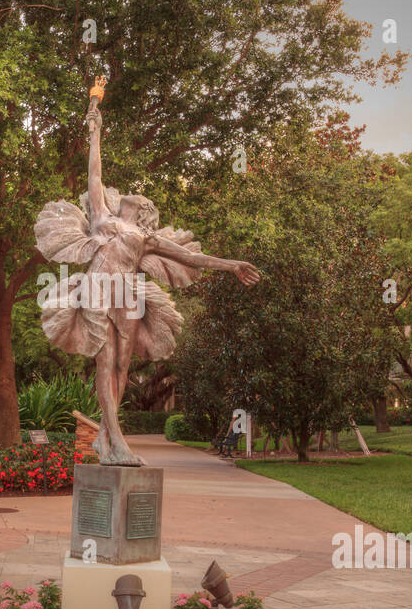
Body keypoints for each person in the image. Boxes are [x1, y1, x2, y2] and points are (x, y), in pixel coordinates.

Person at [35, 77, 259, 465]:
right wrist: (95, 132)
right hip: (98, 289)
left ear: (144, 210)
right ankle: (117, 441)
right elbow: (95, 174)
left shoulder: (145, 237)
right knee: (104, 362)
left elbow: (191, 259)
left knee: (122, 366)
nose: (128, 194)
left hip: (127, 295)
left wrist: (231, 265)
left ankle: (105, 439)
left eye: (136, 197)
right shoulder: (103, 215)